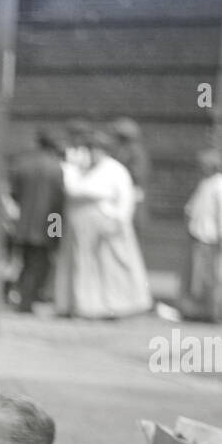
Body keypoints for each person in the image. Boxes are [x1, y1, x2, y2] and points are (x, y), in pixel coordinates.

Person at [54, 127, 152, 320]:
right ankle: (81, 304)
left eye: (96, 149)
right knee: (82, 265)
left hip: (106, 223)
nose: (92, 153)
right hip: (80, 226)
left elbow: (126, 198)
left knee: (110, 268)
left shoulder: (115, 170)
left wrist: (119, 221)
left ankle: (114, 306)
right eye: (89, 149)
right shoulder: (79, 169)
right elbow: (71, 188)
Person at [178, 148, 222, 324]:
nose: (201, 168)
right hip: (199, 236)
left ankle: (216, 313)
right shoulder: (206, 183)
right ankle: (198, 311)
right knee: (197, 278)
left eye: (204, 165)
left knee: (214, 278)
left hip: (214, 240)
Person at [8, 128, 66, 313]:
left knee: (25, 262)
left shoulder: (22, 164)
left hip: (23, 224)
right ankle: (28, 300)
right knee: (40, 263)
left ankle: (22, 297)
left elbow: (14, 194)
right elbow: (59, 203)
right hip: (47, 224)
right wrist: (56, 233)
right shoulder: (56, 168)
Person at [110, 118, 151, 242]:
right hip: (125, 191)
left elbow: (138, 174)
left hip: (133, 191)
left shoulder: (135, 151)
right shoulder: (123, 150)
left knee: (132, 225)